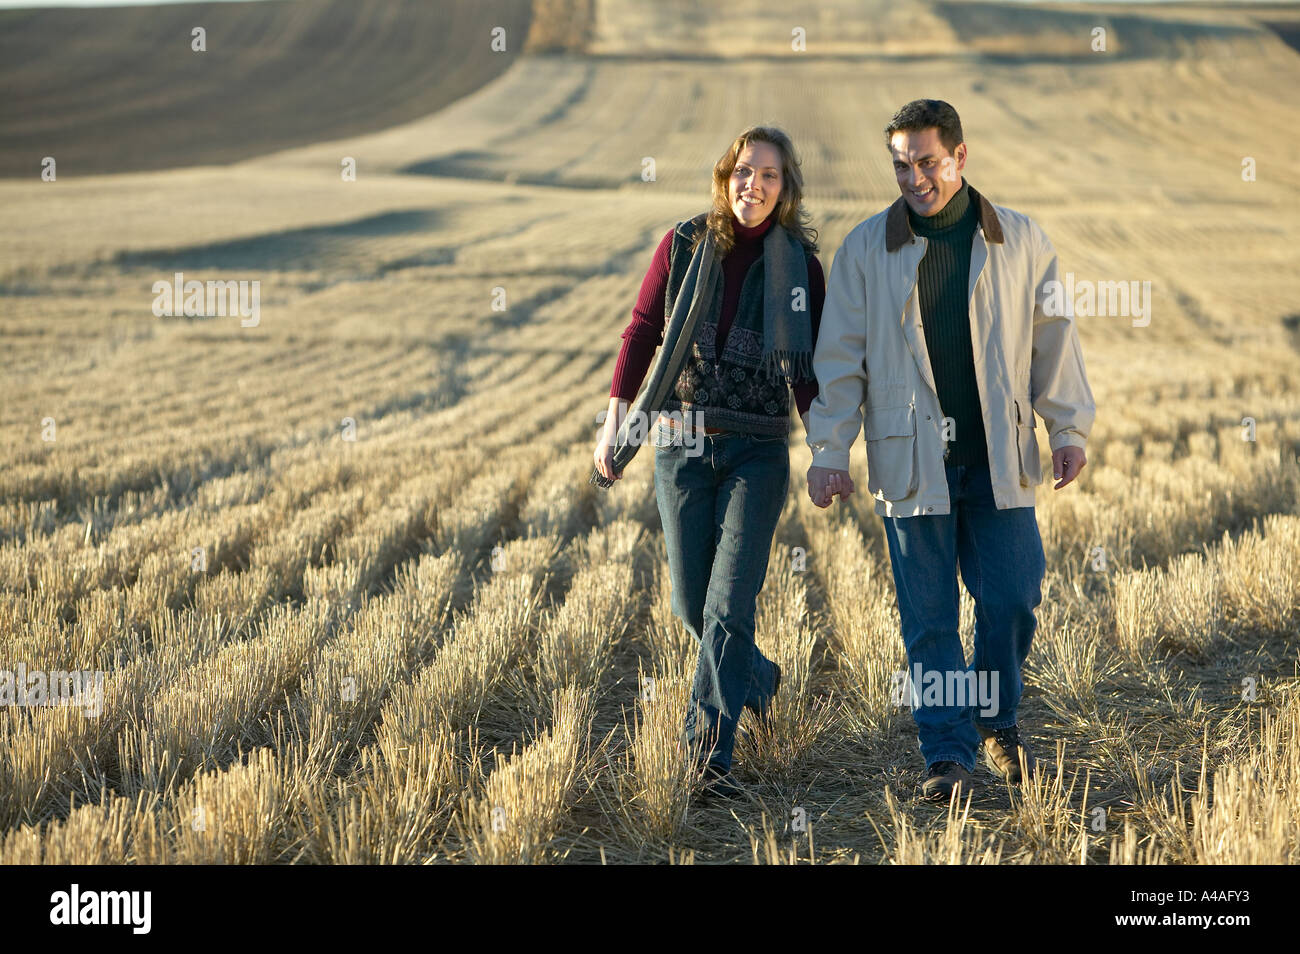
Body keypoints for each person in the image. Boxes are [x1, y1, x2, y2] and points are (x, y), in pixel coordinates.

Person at [804, 100, 1095, 802]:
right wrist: (828, 448)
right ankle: (947, 754)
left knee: (1015, 595)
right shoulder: (866, 250)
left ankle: (997, 718)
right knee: (928, 618)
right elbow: (840, 359)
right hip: (911, 461)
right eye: (901, 165)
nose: (914, 178)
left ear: (960, 158)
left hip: (999, 457)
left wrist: (1067, 428)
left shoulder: (1019, 239)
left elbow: (1053, 336)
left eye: (926, 162)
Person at [594, 126, 826, 799]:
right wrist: (615, 419)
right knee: (691, 603)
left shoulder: (800, 267)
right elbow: (642, 331)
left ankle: (708, 759)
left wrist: (825, 451)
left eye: (770, 176)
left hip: (757, 449)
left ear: (786, 190)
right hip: (681, 445)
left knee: (728, 607)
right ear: (726, 177)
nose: (754, 185)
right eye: (744, 171)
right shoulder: (684, 245)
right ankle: (759, 678)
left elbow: (807, 370)